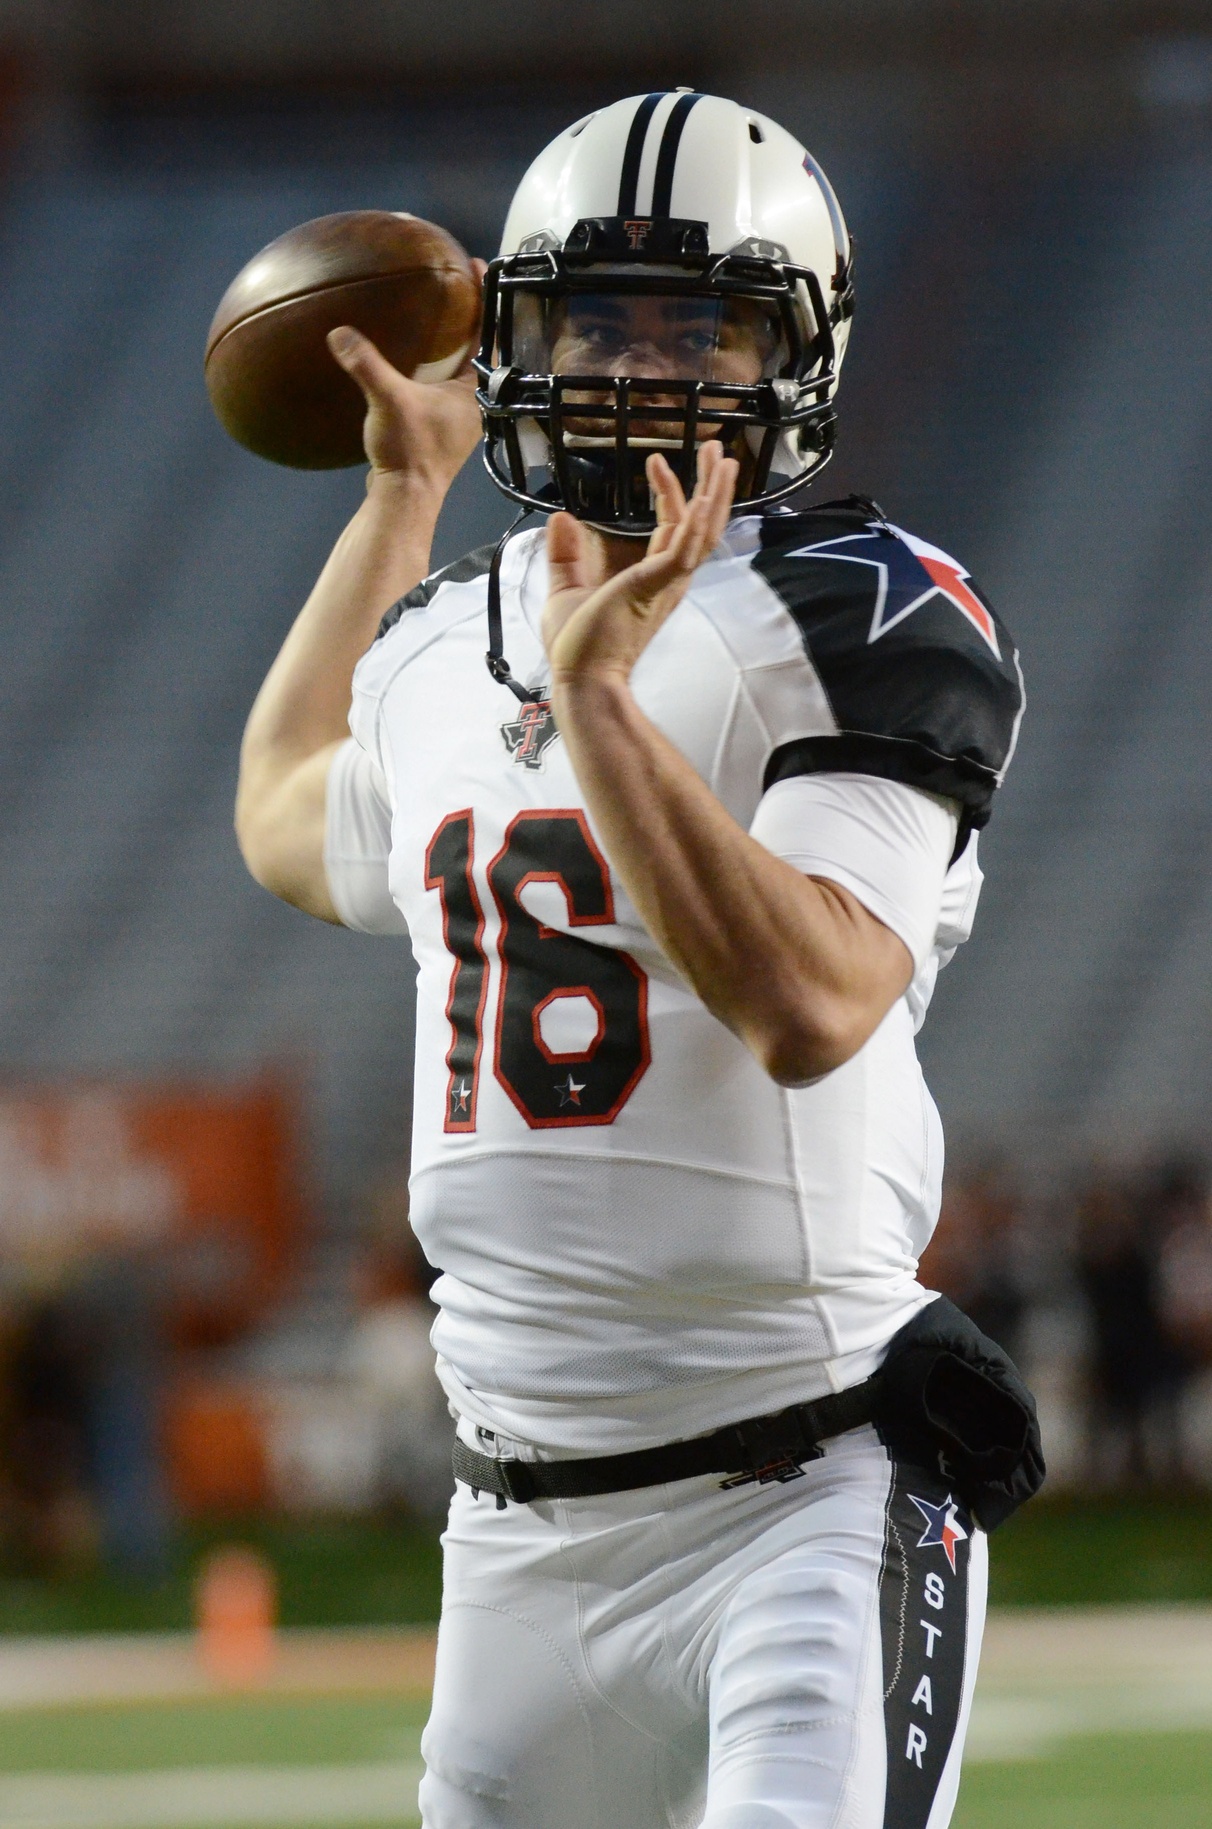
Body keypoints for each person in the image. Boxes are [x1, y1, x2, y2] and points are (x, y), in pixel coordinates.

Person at [236, 92, 1028, 1829]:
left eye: (705, 322)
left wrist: (601, 709)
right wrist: (398, 496)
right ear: (516, 334)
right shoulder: (449, 636)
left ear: (793, 355)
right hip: (515, 1528)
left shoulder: (859, 607)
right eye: (600, 316)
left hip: (801, 1491)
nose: (642, 367)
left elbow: (815, 1000)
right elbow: (287, 818)